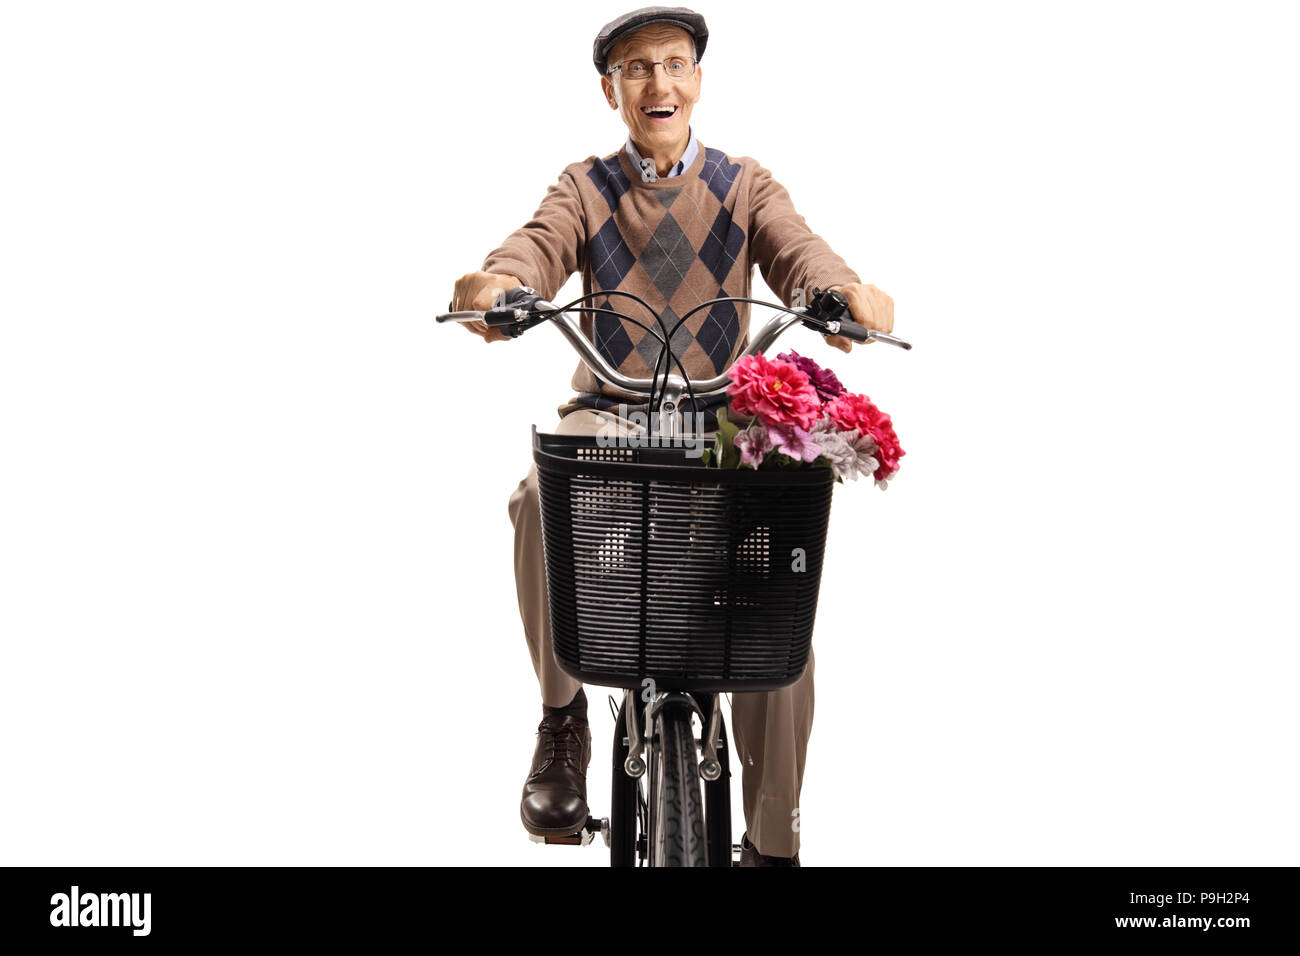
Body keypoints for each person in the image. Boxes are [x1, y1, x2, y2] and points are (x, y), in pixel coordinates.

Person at [448, 6, 895, 866]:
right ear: (609, 88)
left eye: (675, 63)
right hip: (613, 406)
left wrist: (844, 292)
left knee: (779, 623)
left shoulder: (743, 183)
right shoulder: (585, 186)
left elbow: (799, 252)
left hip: (724, 414)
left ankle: (774, 838)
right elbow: (537, 247)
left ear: (698, 78)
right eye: (637, 68)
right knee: (540, 495)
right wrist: (501, 285)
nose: (658, 83)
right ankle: (561, 719)